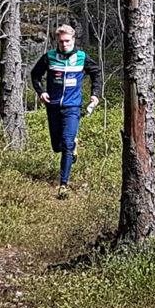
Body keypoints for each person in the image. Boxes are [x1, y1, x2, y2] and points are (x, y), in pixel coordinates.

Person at [30, 25, 102, 199]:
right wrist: (41, 92)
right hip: (53, 105)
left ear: (73, 39)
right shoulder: (49, 57)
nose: (64, 44)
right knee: (57, 146)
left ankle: (63, 185)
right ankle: (71, 147)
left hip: (72, 106)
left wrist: (95, 95)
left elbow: (96, 74)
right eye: (61, 41)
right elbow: (35, 74)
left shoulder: (82, 57)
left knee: (67, 143)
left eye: (67, 41)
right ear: (57, 41)